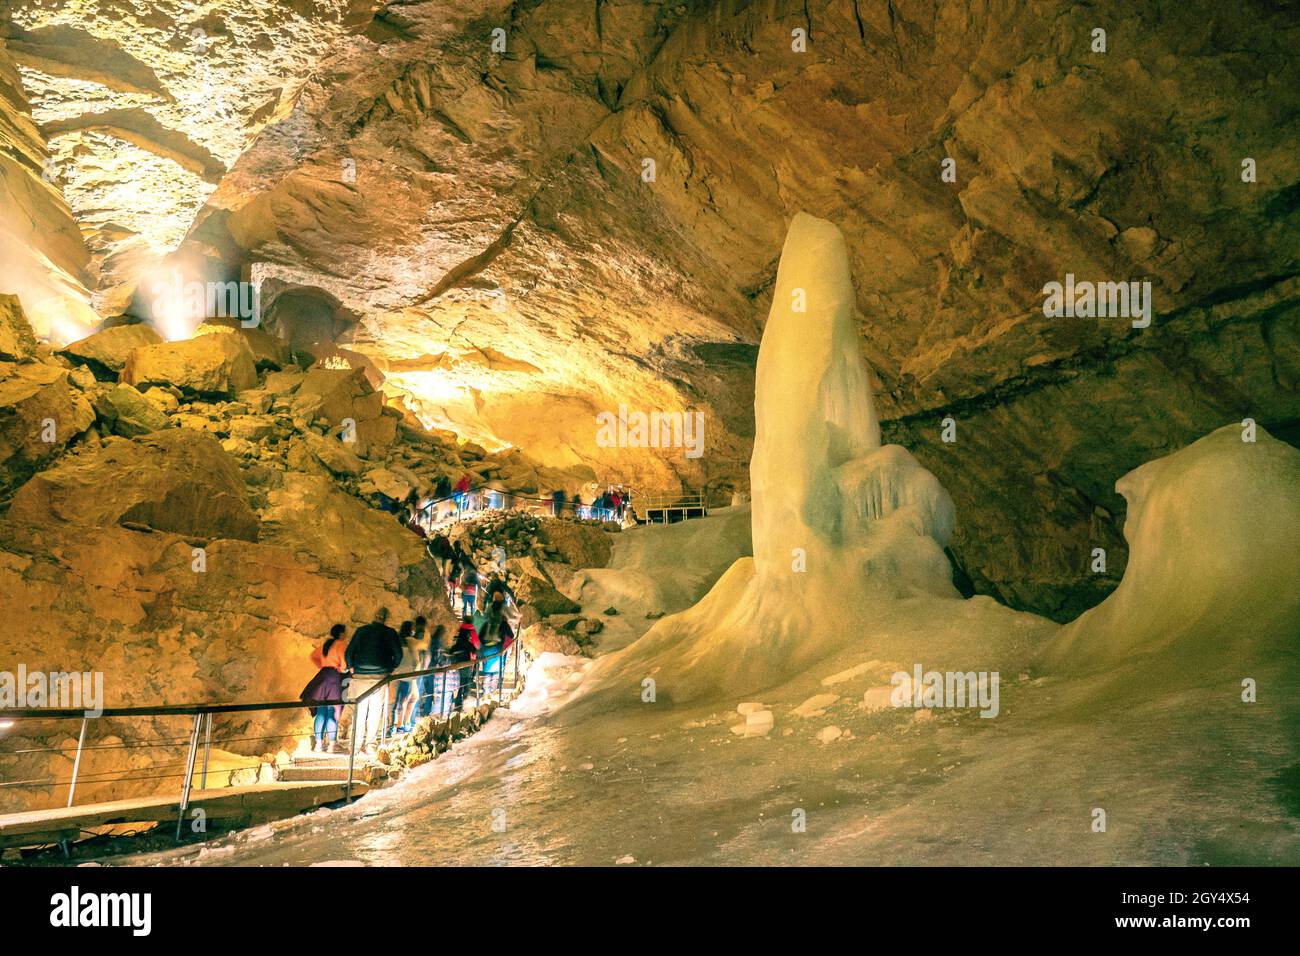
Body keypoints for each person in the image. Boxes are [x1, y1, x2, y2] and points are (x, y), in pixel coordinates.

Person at [344, 608, 402, 753]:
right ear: (385, 618)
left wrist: (352, 668)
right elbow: (398, 654)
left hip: (360, 676)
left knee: (360, 711)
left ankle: (355, 745)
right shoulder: (390, 633)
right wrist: (391, 668)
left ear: (373, 617)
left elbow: (349, 652)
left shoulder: (361, 631)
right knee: (375, 712)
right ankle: (370, 745)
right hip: (380, 678)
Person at [300, 624, 348, 752]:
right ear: (342, 633)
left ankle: (318, 744)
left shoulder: (327, 644)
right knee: (331, 712)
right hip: (333, 677)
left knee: (321, 712)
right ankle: (332, 745)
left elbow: (313, 656)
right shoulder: (340, 644)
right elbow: (344, 665)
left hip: (322, 676)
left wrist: (321, 664)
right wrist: (341, 668)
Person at [388, 620, 418, 735]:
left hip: (396, 675)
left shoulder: (397, 642)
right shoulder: (411, 643)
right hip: (407, 676)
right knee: (403, 701)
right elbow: (415, 661)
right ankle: (400, 725)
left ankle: (392, 727)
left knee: (394, 703)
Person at [449, 615, 479, 709]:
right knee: (464, 681)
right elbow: (475, 649)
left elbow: (451, 651)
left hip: (457, 664)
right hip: (465, 663)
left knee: (458, 683)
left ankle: (457, 701)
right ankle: (462, 697)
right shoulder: (468, 641)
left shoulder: (458, 641)